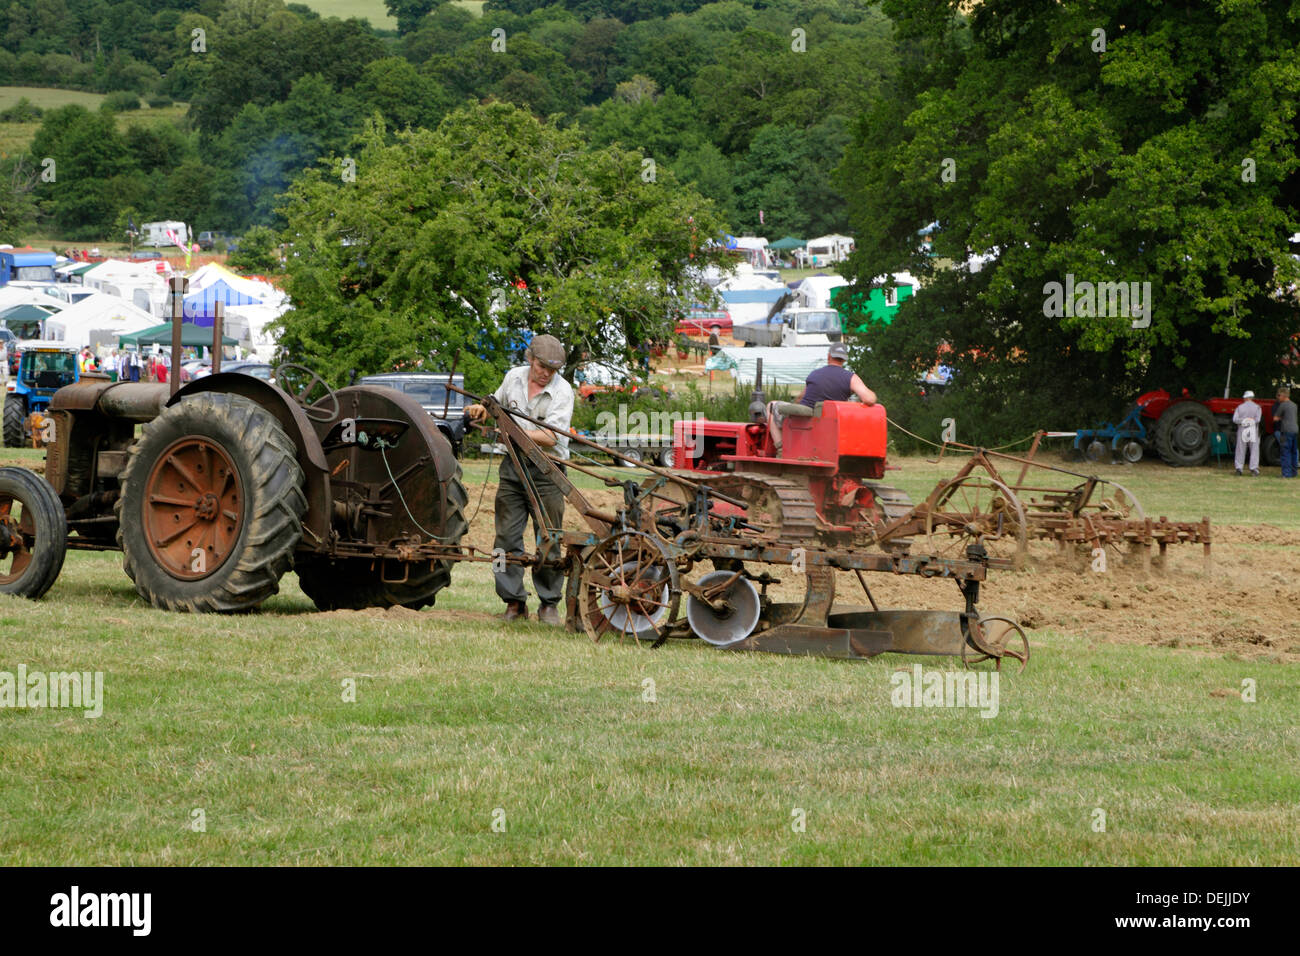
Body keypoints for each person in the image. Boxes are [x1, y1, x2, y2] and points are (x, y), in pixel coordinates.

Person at [464, 334, 575, 626]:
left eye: (552, 369)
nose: (546, 373)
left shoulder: (563, 391)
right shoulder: (513, 377)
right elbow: (496, 405)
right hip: (512, 467)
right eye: (541, 366)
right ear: (530, 359)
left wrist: (511, 432)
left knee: (549, 538)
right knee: (504, 539)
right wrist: (483, 410)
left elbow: (551, 437)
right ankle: (512, 601)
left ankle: (549, 603)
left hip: (546, 470)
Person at [768, 343, 876, 456]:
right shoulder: (851, 378)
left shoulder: (814, 374)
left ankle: (781, 449)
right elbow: (869, 399)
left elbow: (800, 398)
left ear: (829, 356)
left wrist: (792, 405)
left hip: (804, 419)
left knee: (771, 405)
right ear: (844, 359)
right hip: (830, 423)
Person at [1233, 390, 1262, 476]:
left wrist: (1244, 420)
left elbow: (1235, 419)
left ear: (1245, 398)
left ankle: (1239, 468)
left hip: (1243, 428)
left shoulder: (1240, 407)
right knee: (1254, 450)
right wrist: (1250, 421)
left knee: (1240, 449)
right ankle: (1254, 468)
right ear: (1252, 398)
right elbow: (1258, 419)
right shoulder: (1257, 407)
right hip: (1252, 429)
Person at [1273, 386, 1298, 478]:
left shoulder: (1283, 405)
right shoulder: (1294, 405)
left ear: (1283, 395)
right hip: (1295, 430)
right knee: (1293, 452)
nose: (1278, 398)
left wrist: (1280, 418)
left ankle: (1286, 474)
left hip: (1286, 430)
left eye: (1278, 396)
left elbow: (1275, 418)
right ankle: (1294, 472)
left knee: (1285, 452)